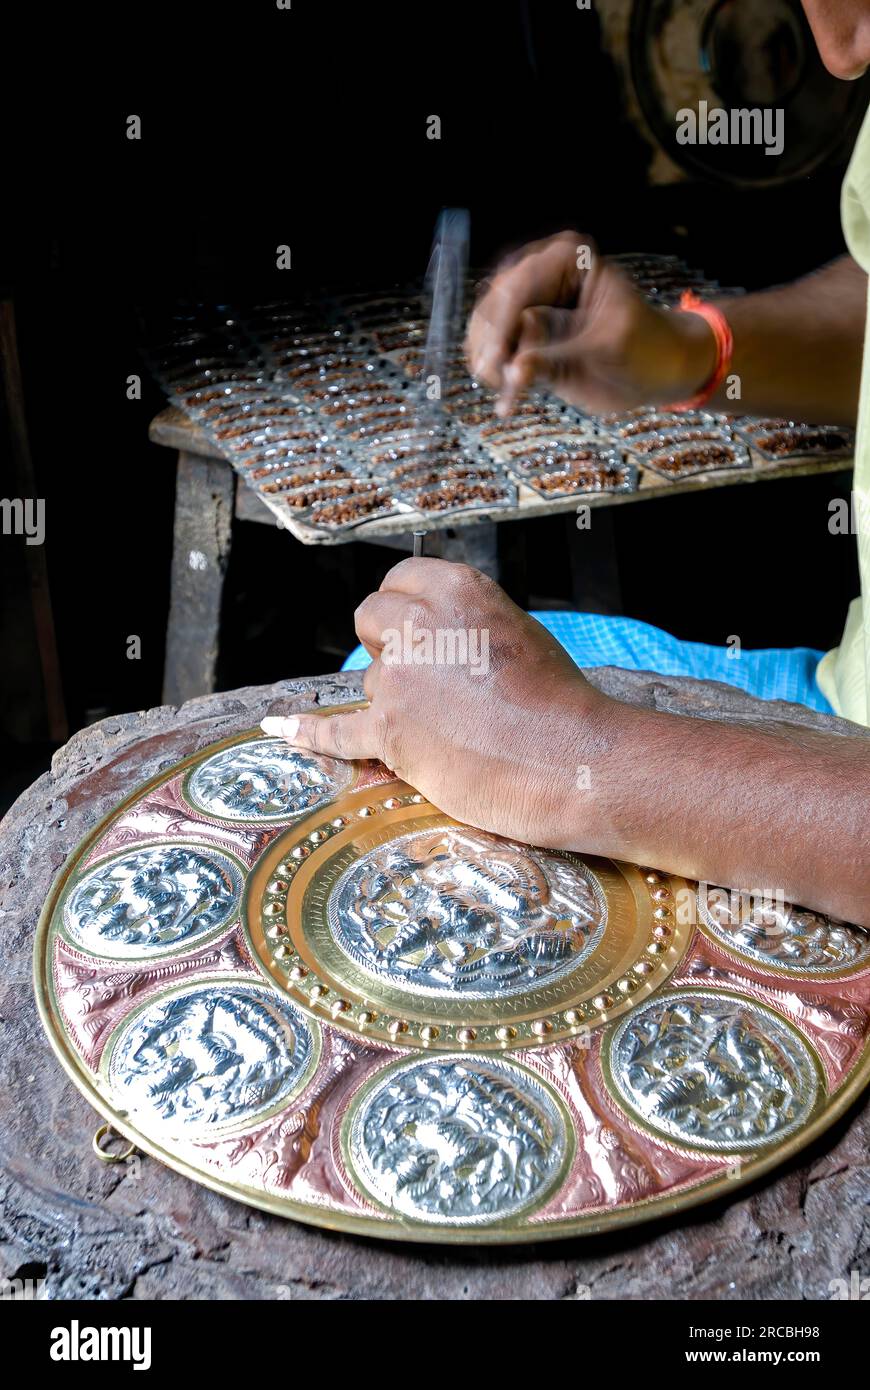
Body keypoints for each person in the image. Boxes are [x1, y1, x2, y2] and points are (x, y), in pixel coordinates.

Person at [264, 0, 870, 928]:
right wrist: (686, 351)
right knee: (402, 683)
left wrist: (576, 759)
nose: (840, 47)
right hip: (844, 693)